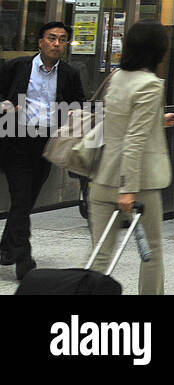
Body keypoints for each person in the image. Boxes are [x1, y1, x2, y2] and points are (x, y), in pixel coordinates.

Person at [87, 21, 174, 295]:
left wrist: (156, 121)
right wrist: (128, 190)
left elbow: (120, 124)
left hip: (103, 177)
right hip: (137, 186)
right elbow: (134, 140)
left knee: (100, 255)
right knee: (150, 252)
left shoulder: (116, 77)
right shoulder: (150, 84)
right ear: (158, 51)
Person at [0, 21, 87, 279]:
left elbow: (78, 101)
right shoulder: (18, 67)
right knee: (21, 197)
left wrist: (73, 111)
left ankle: (6, 247)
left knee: (25, 200)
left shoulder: (70, 73)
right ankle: (24, 259)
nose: (56, 43)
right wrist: (5, 105)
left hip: (48, 142)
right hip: (17, 138)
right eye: (51, 38)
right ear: (40, 42)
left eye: (61, 39)